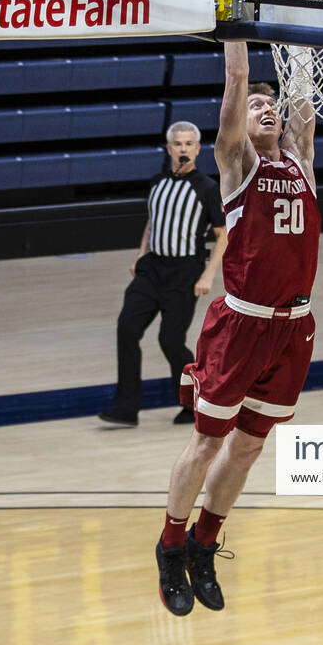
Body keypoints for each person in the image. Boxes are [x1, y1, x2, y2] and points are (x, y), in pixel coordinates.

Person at [154, 0, 320, 617]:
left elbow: (303, 88)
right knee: (208, 440)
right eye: (257, 105)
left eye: (271, 104)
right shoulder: (234, 161)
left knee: (251, 447)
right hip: (241, 319)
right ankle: (169, 543)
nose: (266, 106)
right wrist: (243, 6)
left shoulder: (302, 160)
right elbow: (237, 83)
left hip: (294, 326)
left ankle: (205, 540)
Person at [99, 122, 226, 428]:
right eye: (177, 144)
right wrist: (140, 254)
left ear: (197, 149)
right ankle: (126, 408)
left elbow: (223, 235)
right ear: (169, 149)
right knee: (126, 328)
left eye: (189, 144)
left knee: (170, 340)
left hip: (185, 272)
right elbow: (152, 221)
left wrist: (208, 275)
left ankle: (194, 403)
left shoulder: (207, 188)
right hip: (152, 269)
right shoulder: (157, 182)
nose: (183, 148)